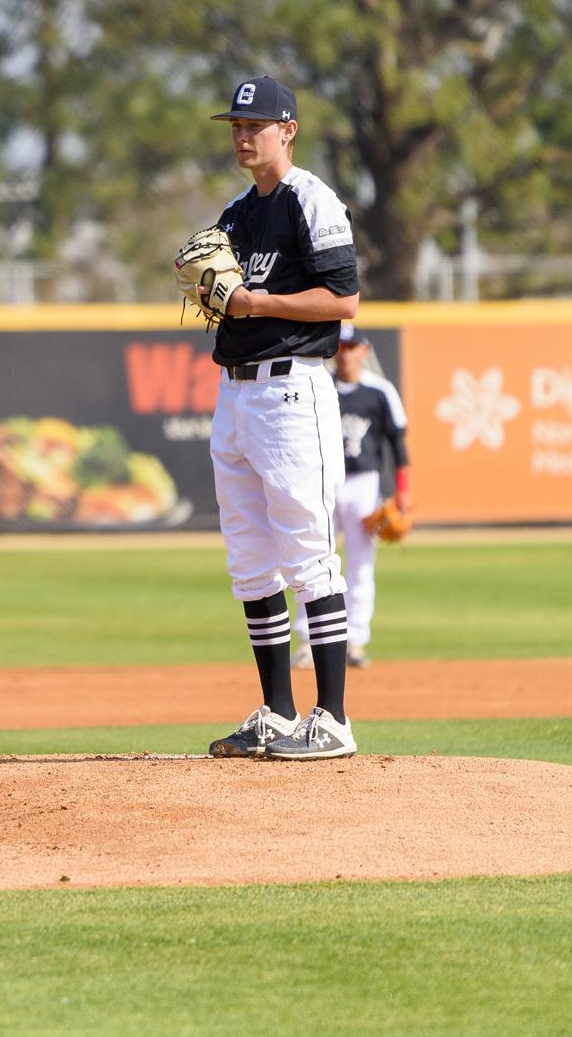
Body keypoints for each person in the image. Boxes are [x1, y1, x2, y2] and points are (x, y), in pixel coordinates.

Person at [197, 75, 362, 761]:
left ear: (287, 130)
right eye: (236, 125)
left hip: (294, 392)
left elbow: (344, 300)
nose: (243, 135)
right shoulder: (237, 211)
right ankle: (278, 711)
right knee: (250, 560)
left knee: (307, 551)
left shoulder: (311, 200)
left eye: (256, 125)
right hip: (235, 394)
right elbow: (223, 293)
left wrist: (257, 304)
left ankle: (332, 719)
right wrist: (222, 298)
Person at [290, 327, 410, 668]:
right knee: (311, 559)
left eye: (352, 346)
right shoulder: (318, 384)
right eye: (340, 345)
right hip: (321, 480)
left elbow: (398, 444)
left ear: (364, 350)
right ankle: (308, 641)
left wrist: (403, 491)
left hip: (363, 483)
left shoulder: (380, 390)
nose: (345, 352)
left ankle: (355, 640)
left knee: (360, 563)